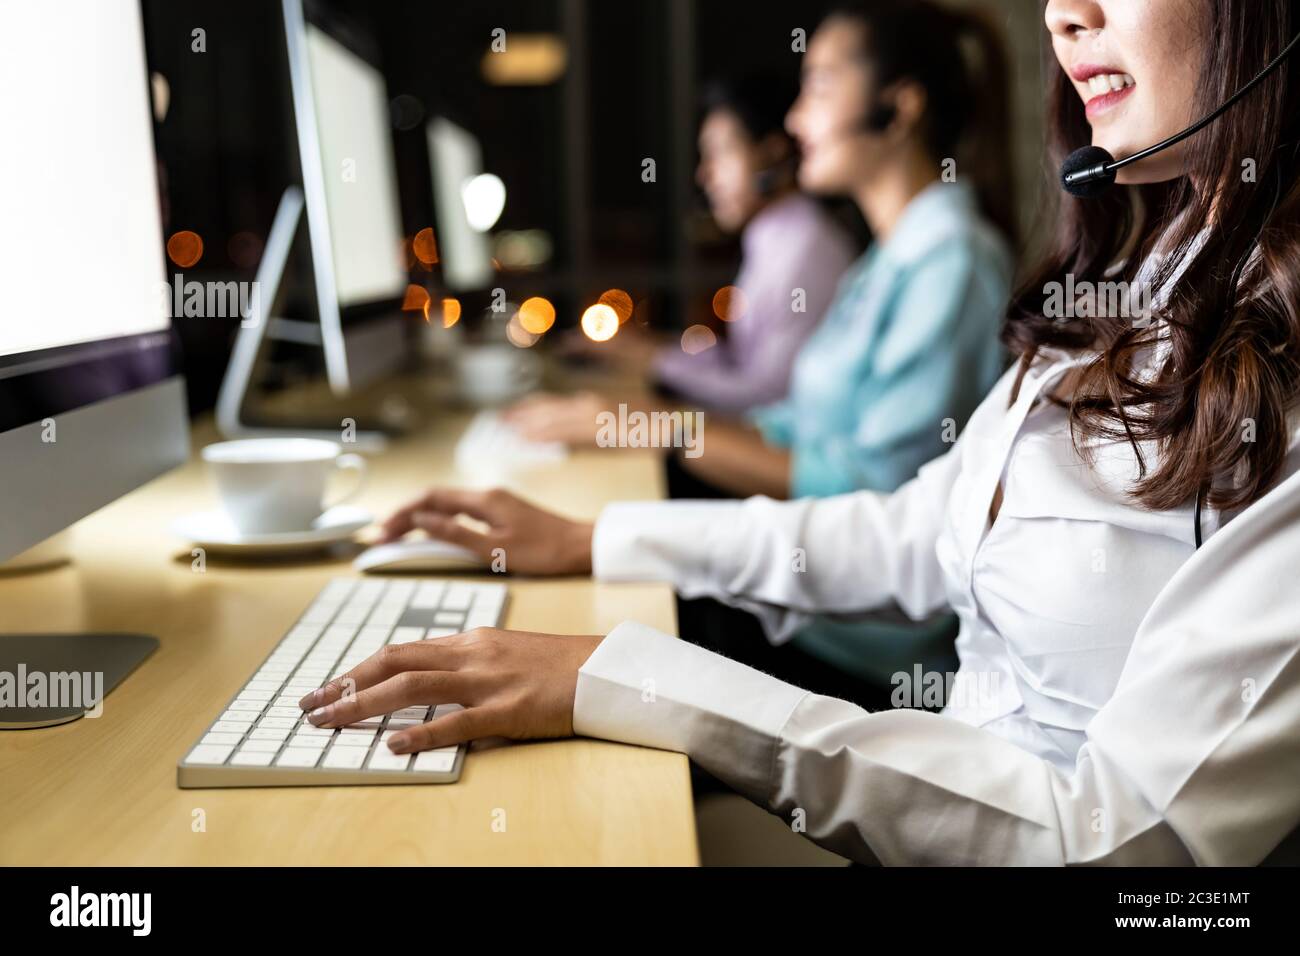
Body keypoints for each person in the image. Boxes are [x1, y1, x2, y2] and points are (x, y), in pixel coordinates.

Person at [302, 0, 1300, 864]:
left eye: (816, 83)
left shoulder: (959, 261)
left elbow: (1123, 844)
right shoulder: (1155, 283)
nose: (1060, 13)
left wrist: (625, 673)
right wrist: (596, 539)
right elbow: (910, 526)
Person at [507, 0, 1016, 506]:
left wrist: (656, 427)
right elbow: (792, 420)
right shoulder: (887, 259)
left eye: (818, 87)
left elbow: (875, 489)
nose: (794, 121)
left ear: (901, 107)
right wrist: (635, 417)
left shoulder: (951, 261)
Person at [545, 74, 856, 417]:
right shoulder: (774, 237)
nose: (705, 175)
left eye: (720, 153)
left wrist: (654, 361)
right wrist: (645, 349)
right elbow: (743, 364)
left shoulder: (806, 248)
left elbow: (768, 395)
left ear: (773, 152)